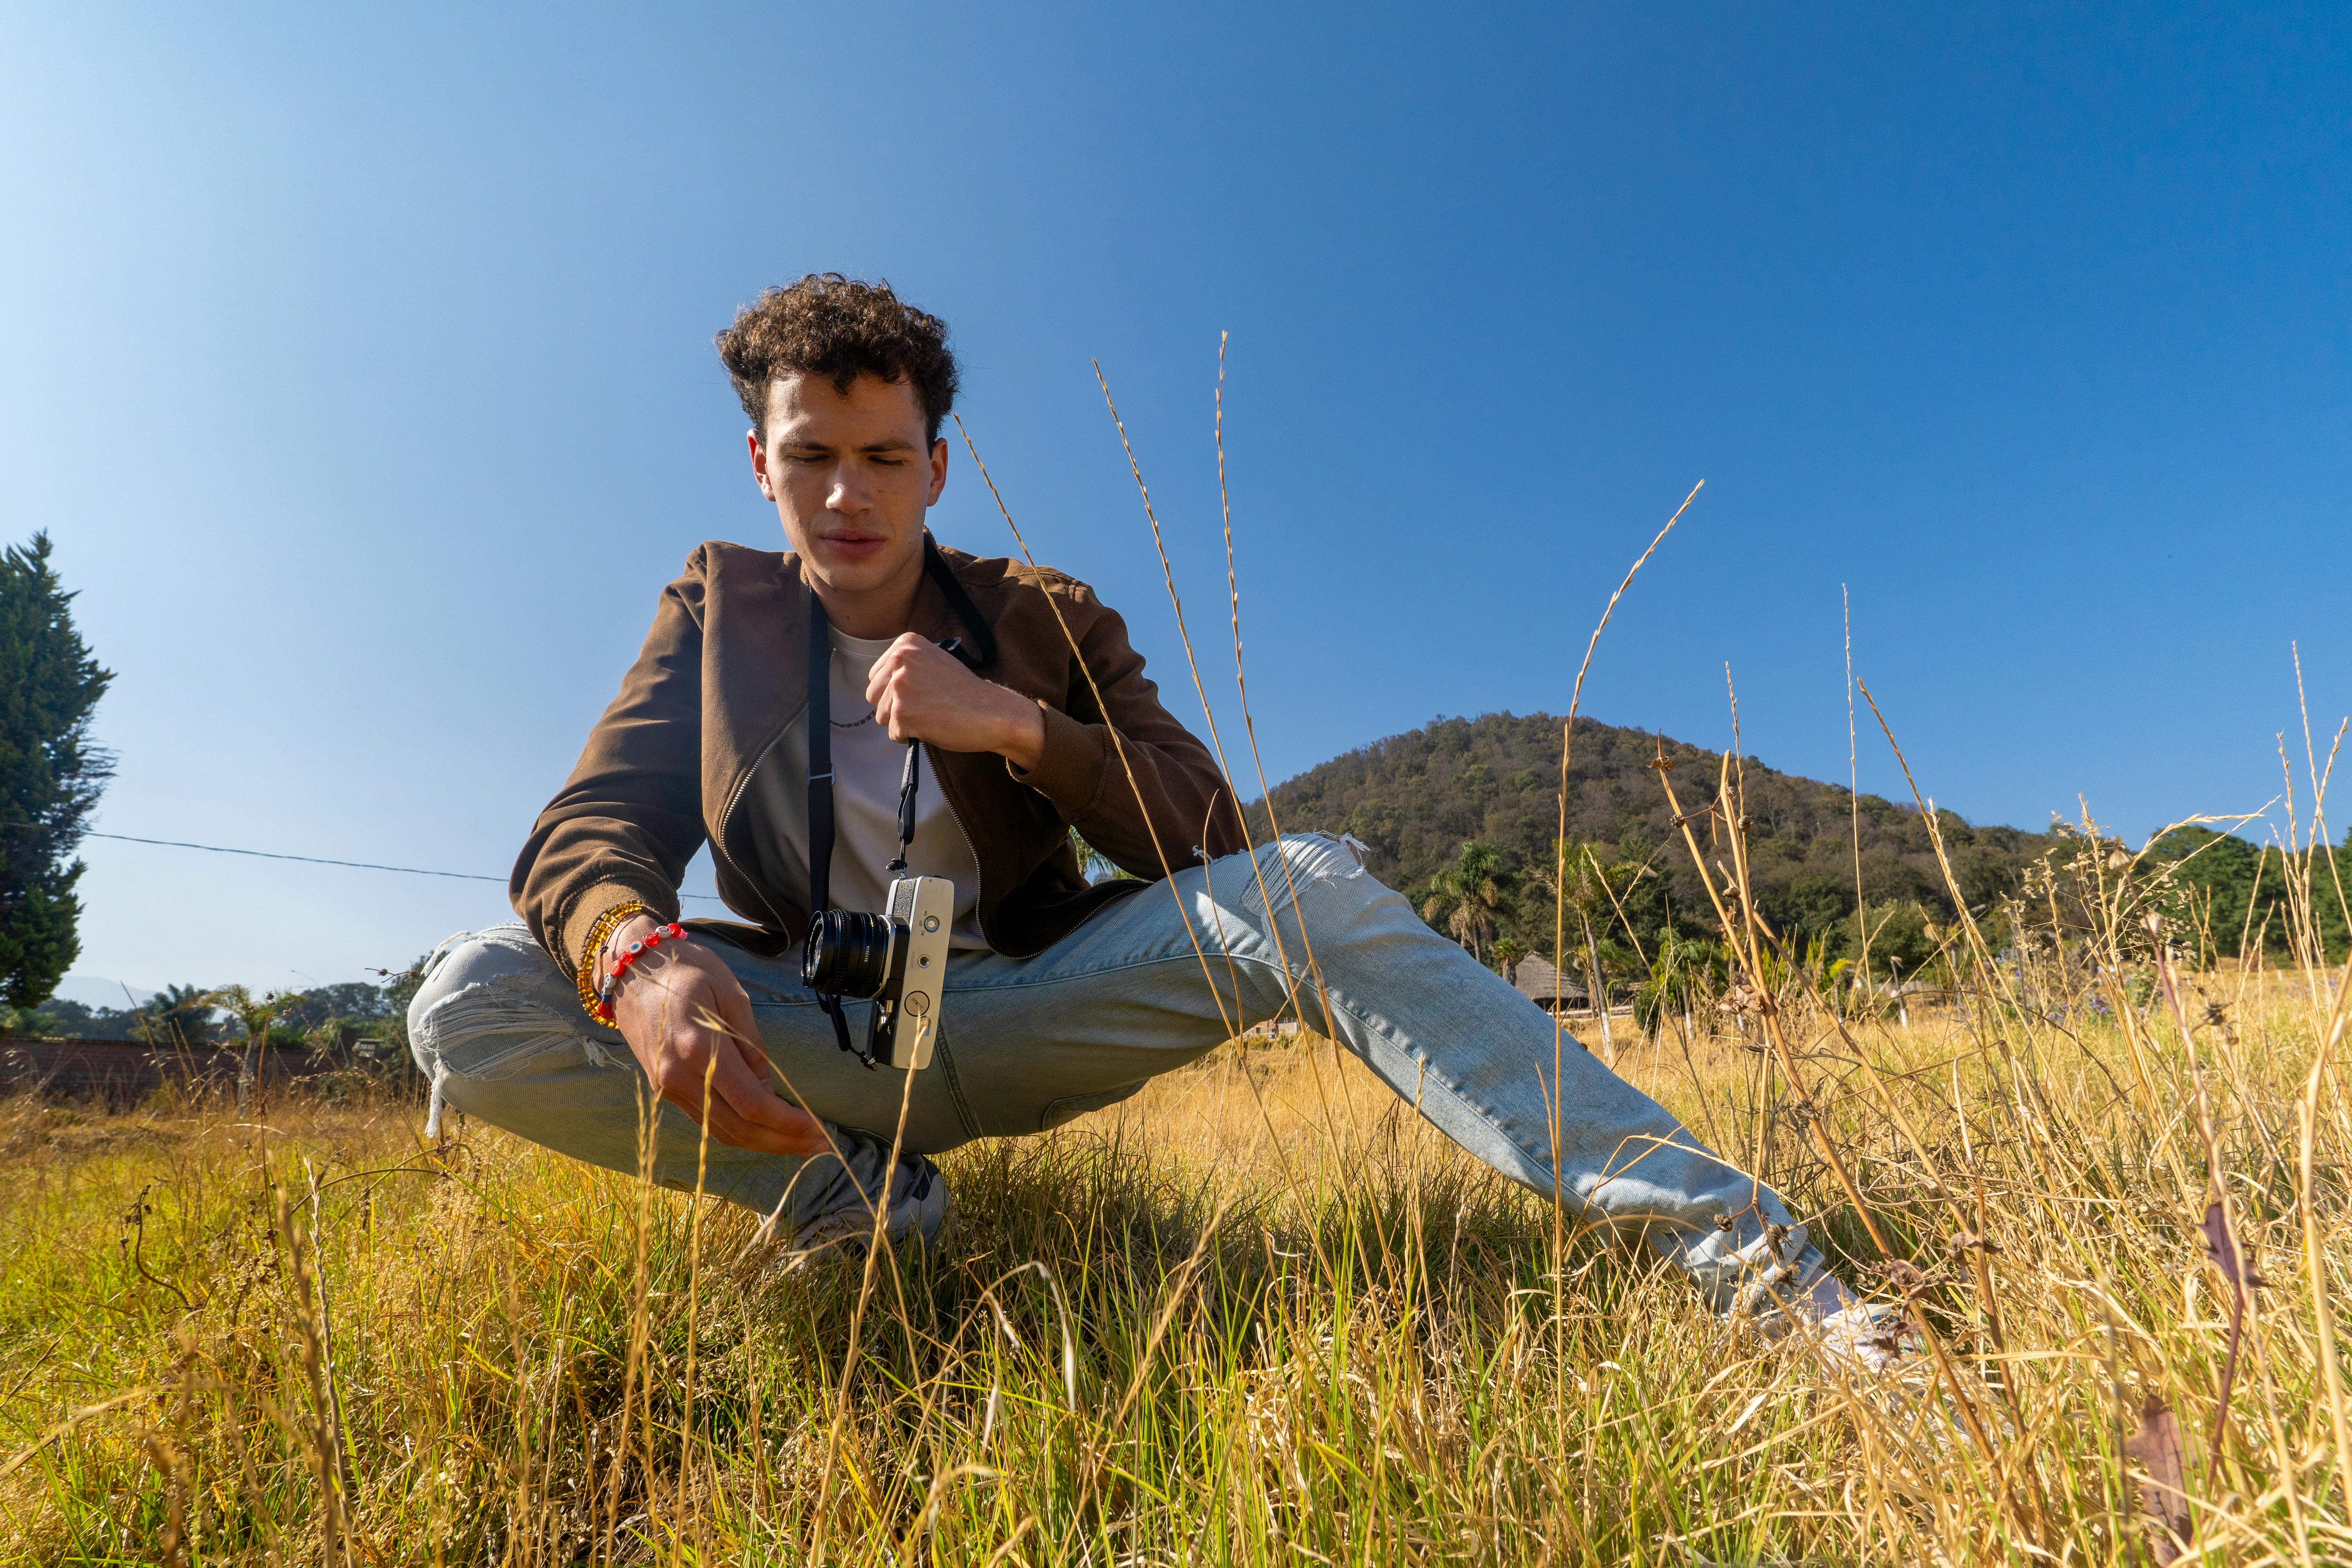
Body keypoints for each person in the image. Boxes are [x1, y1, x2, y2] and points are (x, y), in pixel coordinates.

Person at [407, 274, 1891, 1362]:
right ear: (762, 464)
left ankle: (1747, 1258)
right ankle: (851, 1205)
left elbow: (1203, 826)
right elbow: (588, 828)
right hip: (828, 1038)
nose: (846, 494)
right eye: (811, 456)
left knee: (1309, 880)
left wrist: (1019, 727)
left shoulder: (1045, 615)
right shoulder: (715, 610)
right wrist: (639, 960)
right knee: (471, 1000)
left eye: (882, 456)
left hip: (1031, 1005)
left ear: (938, 461)